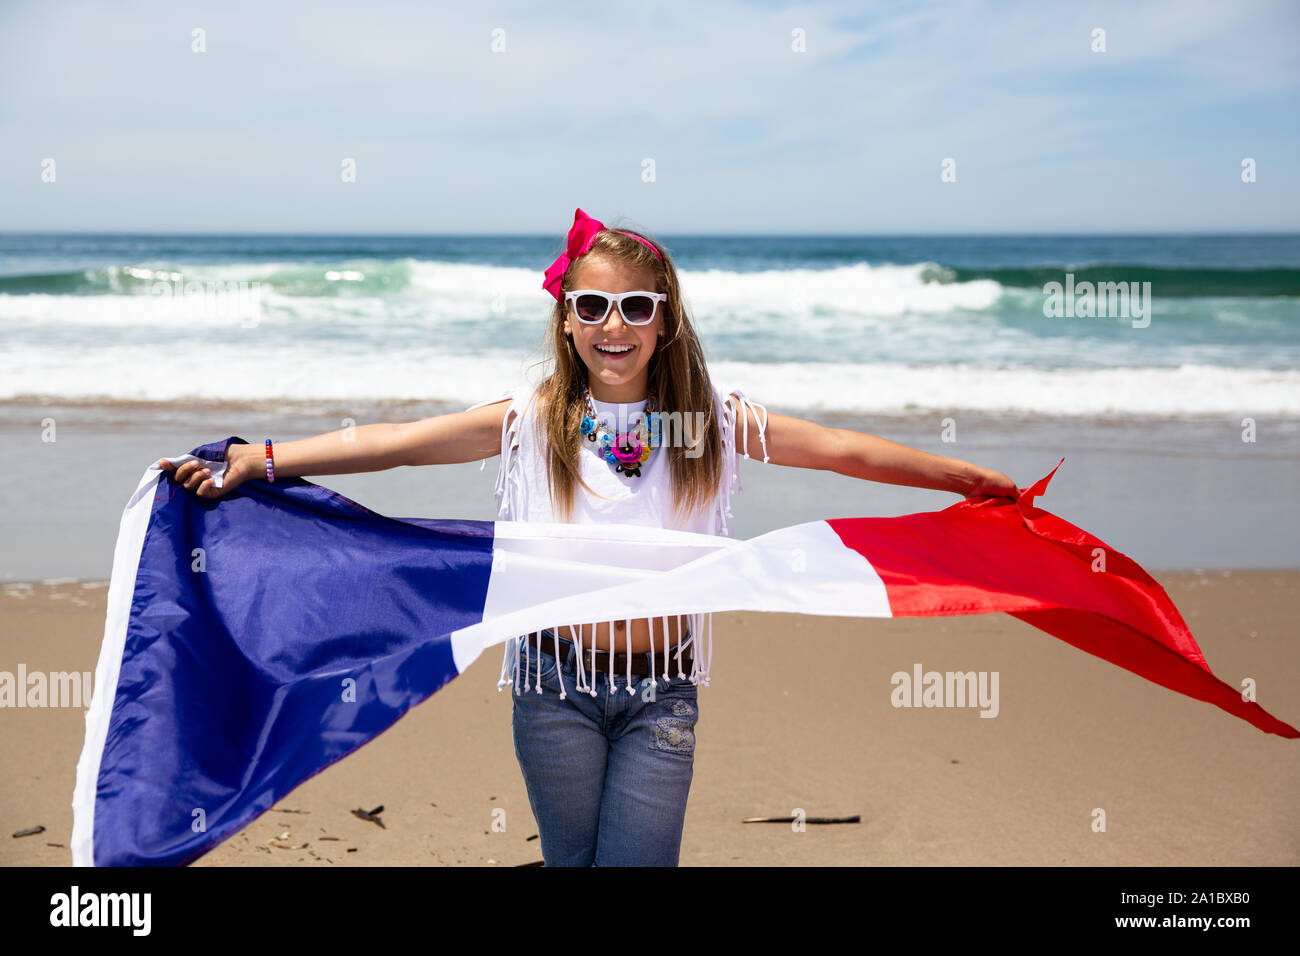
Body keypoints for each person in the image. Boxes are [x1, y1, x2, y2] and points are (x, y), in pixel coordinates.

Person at [160, 207, 1017, 867]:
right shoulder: (536, 421)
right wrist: (266, 459)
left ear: (664, 321)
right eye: (594, 305)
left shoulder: (704, 425)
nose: (616, 324)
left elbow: (840, 450)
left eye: (636, 307)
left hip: (661, 694)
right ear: (567, 318)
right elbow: (397, 443)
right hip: (553, 688)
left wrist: (959, 479)